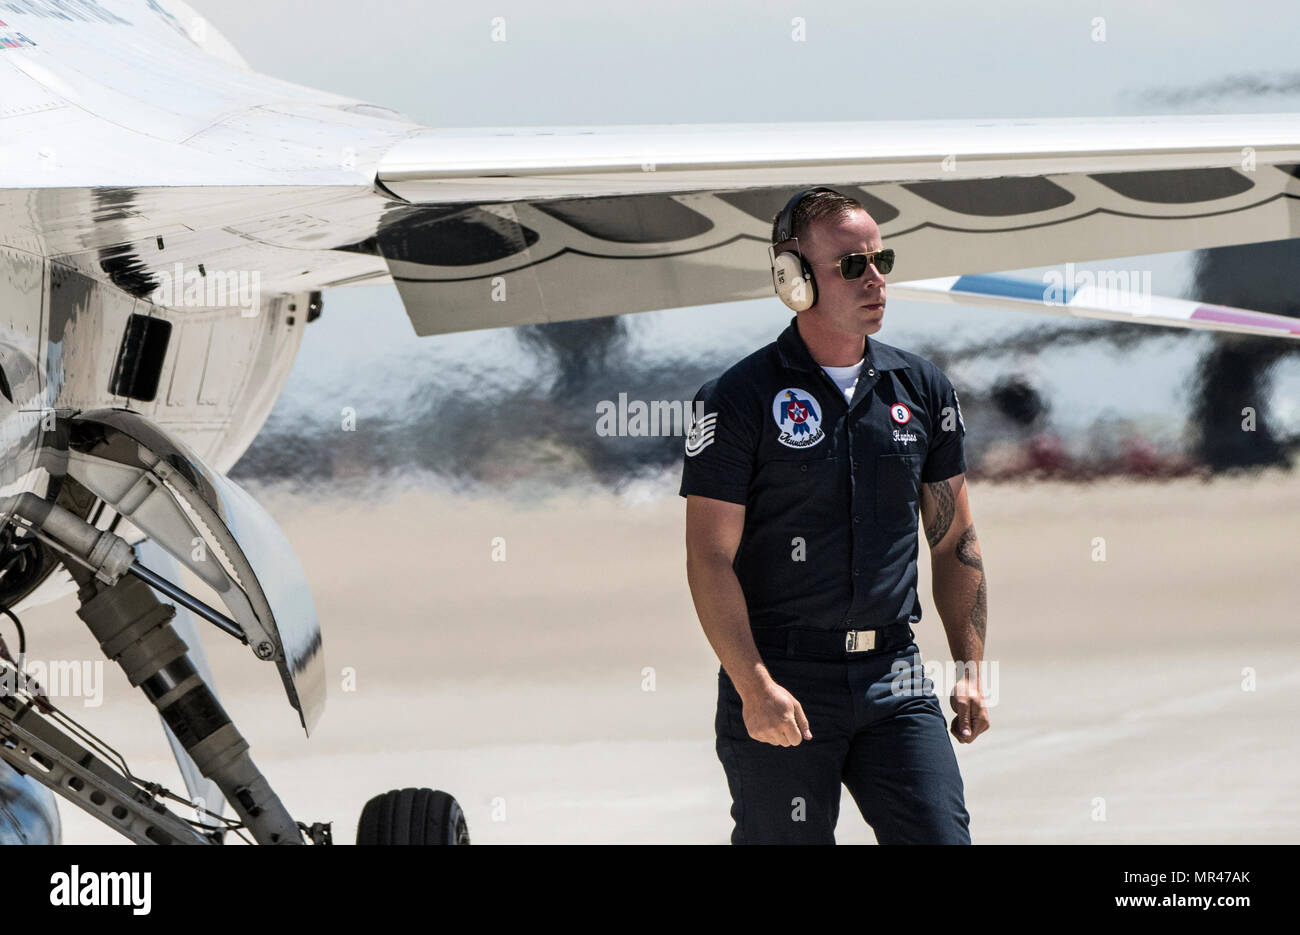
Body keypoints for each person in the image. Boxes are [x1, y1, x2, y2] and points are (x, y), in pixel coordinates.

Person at [680, 187, 990, 845]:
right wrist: (753, 683)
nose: (876, 279)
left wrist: (969, 667)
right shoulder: (737, 399)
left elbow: (953, 541)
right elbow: (709, 558)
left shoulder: (923, 390)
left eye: (882, 260)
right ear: (793, 280)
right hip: (782, 679)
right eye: (853, 265)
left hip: (895, 678)